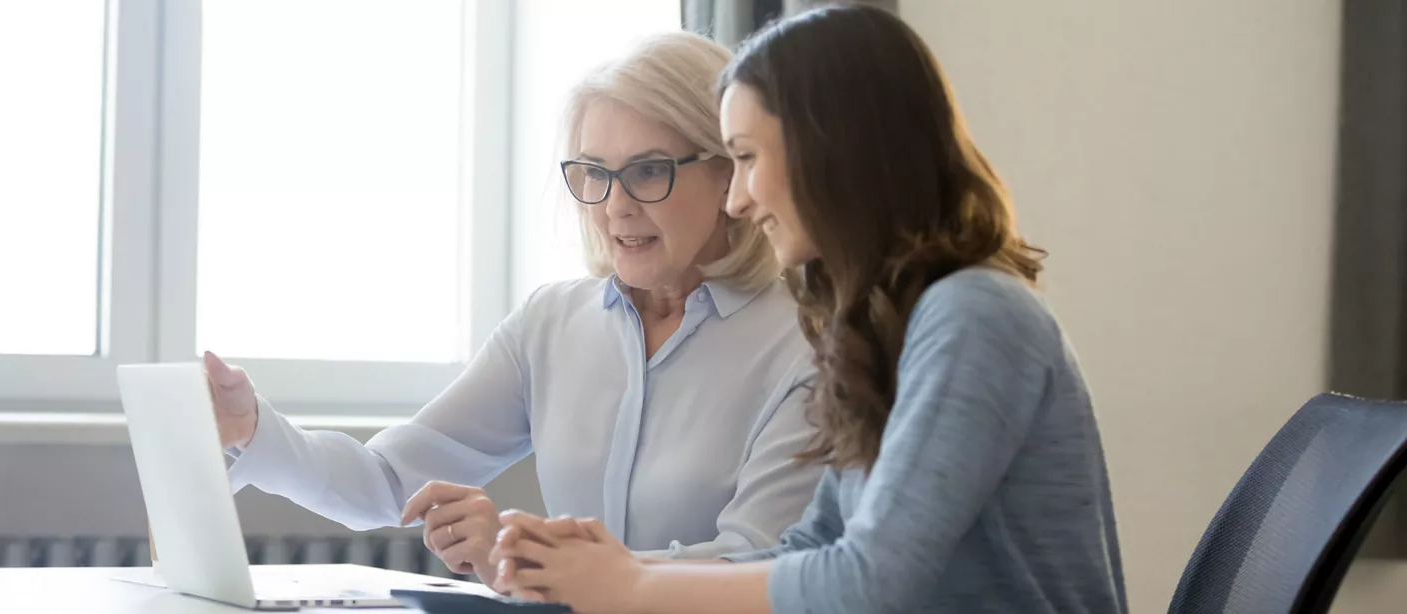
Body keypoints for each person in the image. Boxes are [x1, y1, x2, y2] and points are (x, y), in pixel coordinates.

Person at [489, 6, 1128, 613]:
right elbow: (810, 548)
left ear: (829, 151)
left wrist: (629, 586)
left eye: (745, 158)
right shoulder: (884, 325)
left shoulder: (974, 315)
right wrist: (602, 571)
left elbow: (868, 583)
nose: (735, 200)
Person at [201, 31, 822, 586]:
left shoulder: (808, 342)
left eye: (649, 170)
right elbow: (389, 482)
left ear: (728, 174)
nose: (615, 207)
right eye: (593, 173)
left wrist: (531, 562)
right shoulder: (550, 325)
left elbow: (760, 563)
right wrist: (254, 429)